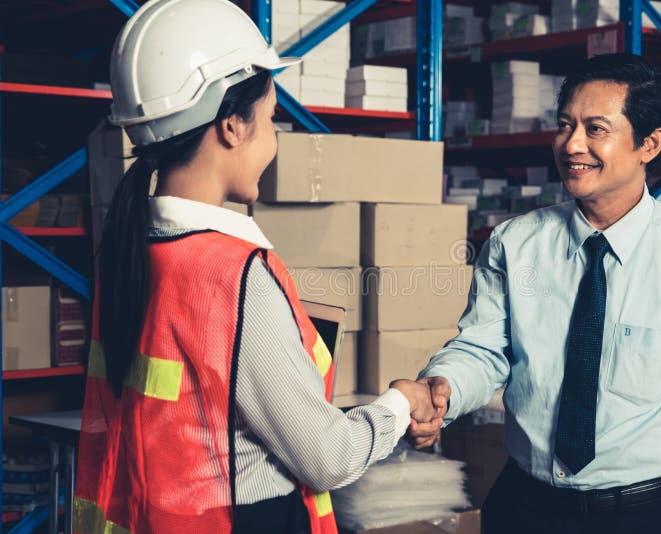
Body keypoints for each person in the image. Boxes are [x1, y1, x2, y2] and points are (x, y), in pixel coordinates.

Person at [73, 1, 438, 533]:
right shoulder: (232, 275)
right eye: (269, 121)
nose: (273, 140)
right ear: (231, 126)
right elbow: (328, 458)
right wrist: (400, 405)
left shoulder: (134, 248)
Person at [409, 53, 661, 534]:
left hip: (644, 516)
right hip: (523, 507)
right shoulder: (516, 243)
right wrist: (444, 388)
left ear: (650, 144)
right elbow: (483, 347)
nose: (572, 144)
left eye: (595, 128)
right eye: (564, 125)